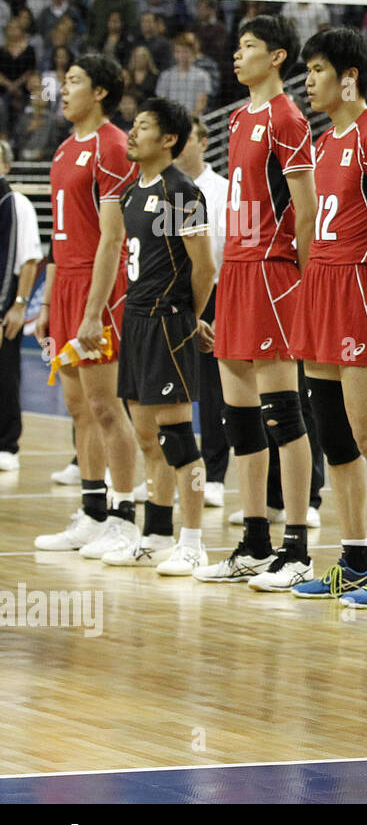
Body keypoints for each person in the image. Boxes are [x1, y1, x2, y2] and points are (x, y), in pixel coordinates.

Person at [287, 27, 367, 606]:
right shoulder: (322, 142)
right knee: (334, 439)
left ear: (349, 77)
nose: (308, 81)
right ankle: (354, 558)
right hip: (320, 289)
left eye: (316, 70)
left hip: (360, 292)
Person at [209, 15, 318, 591]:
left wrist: (302, 282)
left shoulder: (287, 119)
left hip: (275, 275)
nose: (236, 53)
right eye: (237, 44)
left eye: (247, 46)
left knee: (283, 413)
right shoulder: (237, 118)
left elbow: (307, 206)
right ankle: (254, 539)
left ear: (277, 57)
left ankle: (295, 543)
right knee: (240, 417)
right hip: (238, 271)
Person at [34, 54, 141, 559]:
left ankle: (125, 517)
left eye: (74, 81)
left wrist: (94, 309)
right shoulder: (62, 149)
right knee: (77, 407)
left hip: (103, 285)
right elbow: (59, 237)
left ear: (100, 92)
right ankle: (92, 512)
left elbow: (112, 237)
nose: (65, 90)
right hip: (67, 284)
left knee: (105, 405)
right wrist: (48, 304)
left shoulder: (112, 147)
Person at [115, 97, 215, 576]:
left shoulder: (182, 192)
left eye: (143, 127)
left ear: (168, 139)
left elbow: (205, 267)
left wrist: (188, 318)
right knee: (145, 435)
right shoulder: (132, 193)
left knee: (177, 437)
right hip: (134, 321)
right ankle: (154, 534)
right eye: (132, 126)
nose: (131, 134)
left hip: (167, 321)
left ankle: (193, 542)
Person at [173, 114, 229, 507]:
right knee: (166, 387)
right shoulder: (165, 189)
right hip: (168, 297)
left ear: (205, 142)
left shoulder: (223, 191)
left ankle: (215, 474)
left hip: (214, 293)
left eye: (187, 138)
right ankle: (167, 469)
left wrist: (207, 303)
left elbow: (224, 250)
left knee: (213, 390)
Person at [0, 141, 42, 473]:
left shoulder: (17, 203)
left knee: (5, 374)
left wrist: (18, 305)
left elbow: (29, 259)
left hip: (5, 304)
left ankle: (7, 444)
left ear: (6, 166)